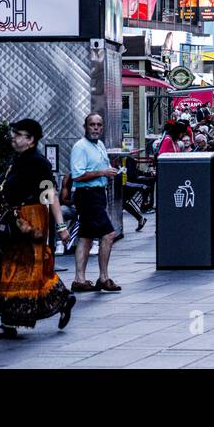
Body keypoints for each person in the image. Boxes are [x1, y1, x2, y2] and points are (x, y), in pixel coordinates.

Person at [0, 119, 76, 340]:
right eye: (14, 133)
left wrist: (62, 227)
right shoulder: (17, 160)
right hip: (17, 219)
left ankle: (9, 324)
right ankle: (60, 300)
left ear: (31, 140)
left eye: (19, 134)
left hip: (31, 220)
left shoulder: (38, 162)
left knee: (25, 269)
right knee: (18, 268)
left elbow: (51, 195)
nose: (13, 137)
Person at [69, 113, 124, 294]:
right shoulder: (80, 147)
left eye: (99, 125)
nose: (95, 128)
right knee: (108, 234)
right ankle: (103, 278)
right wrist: (102, 173)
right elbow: (77, 175)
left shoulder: (99, 145)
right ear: (86, 127)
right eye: (92, 125)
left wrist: (109, 172)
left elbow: (102, 169)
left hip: (98, 194)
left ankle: (80, 279)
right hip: (87, 195)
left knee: (85, 237)